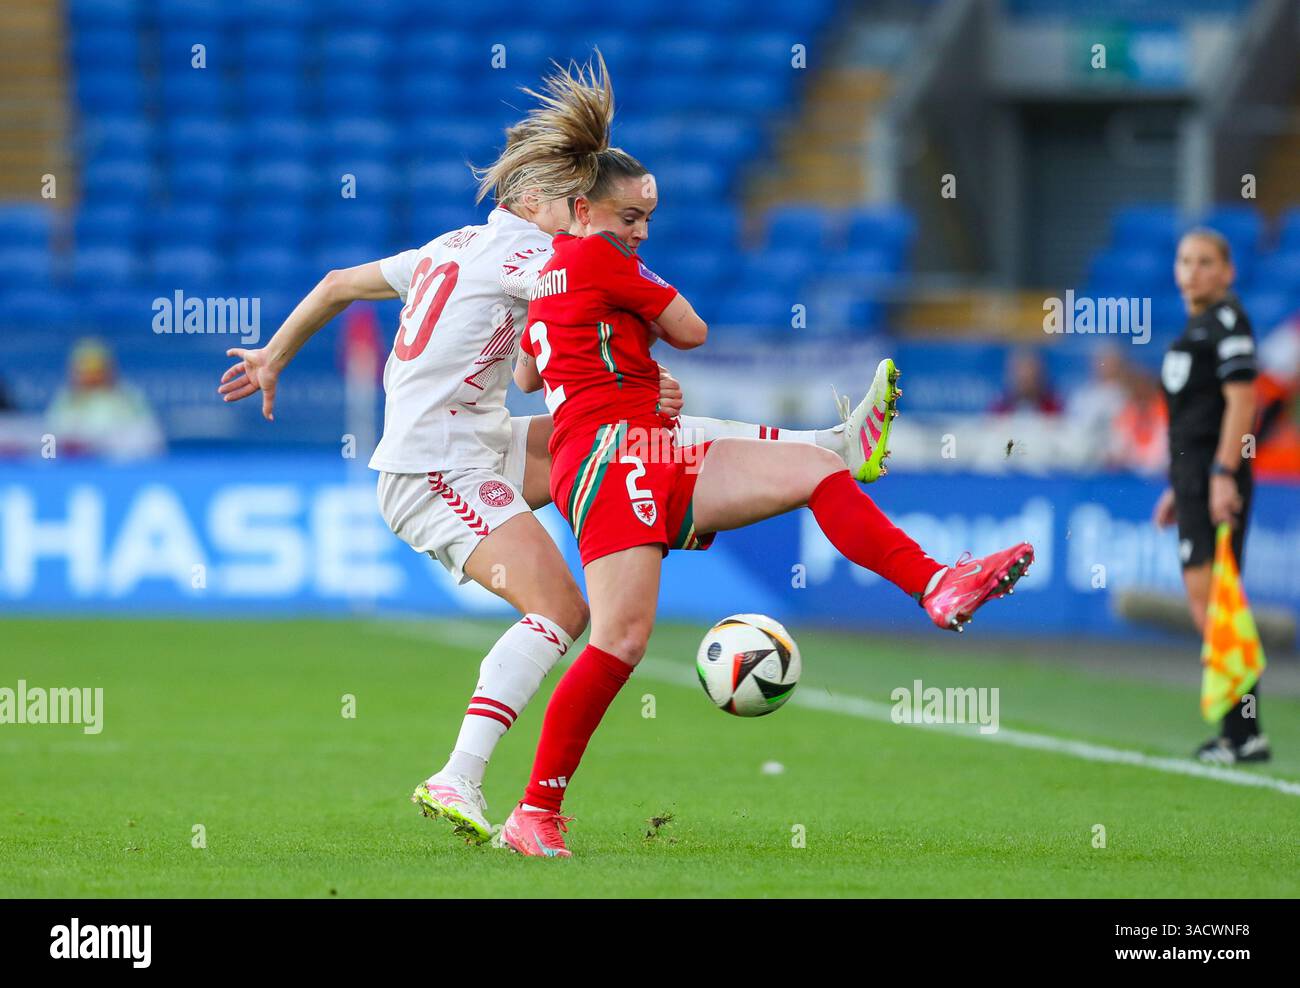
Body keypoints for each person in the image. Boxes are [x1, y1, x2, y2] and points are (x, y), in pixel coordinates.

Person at [217, 53, 899, 844]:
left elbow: (338, 281)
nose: (585, 218)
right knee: (563, 608)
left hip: (482, 440)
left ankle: (828, 448)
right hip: (435, 467)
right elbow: (601, 314)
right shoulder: (535, 257)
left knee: (640, 444)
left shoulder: (450, 246)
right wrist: (639, 368)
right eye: (574, 206)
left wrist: (274, 355)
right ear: (537, 202)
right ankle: (458, 777)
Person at [498, 143, 1035, 858]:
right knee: (619, 641)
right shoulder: (601, 258)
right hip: (610, 460)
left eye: (649, 218)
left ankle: (936, 584)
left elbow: (532, 374)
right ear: (583, 209)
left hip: (647, 446)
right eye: (630, 216)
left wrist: (623, 364)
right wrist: (633, 306)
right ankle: (533, 811)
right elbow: (692, 330)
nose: (641, 232)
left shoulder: (543, 276)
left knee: (814, 470)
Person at [1152, 228, 1267, 765]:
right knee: (1210, 606)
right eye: (1185, 261)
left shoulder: (1228, 324)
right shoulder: (1198, 327)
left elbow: (1242, 404)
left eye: (1205, 262)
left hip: (1216, 478)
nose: (1193, 271)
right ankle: (1238, 731)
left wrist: (1224, 472)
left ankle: (1242, 733)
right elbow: (1192, 421)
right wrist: (1179, 488)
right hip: (1194, 481)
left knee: (1217, 605)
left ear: (1227, 272)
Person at [45, 337, 165, 460]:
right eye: (84, 370)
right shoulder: (65, 400)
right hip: (73, 470)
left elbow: (151, 440)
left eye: (95, 370)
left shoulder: (128, 398)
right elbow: (50, 440)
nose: (90, 376)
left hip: (120, 471)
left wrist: (97, 444)